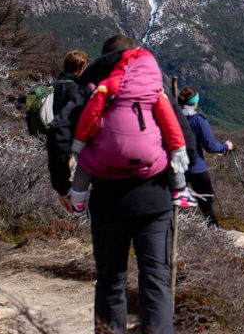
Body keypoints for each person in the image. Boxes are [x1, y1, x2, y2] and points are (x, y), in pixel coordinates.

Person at [53, 35, 186, 334]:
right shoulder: (151, 86)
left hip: (108, 198)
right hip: (154, 197)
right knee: (155, 277)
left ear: (104, 58)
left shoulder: (93, 88)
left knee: (111, 278)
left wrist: (62, 186)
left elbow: (59, 132)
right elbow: (183, 132)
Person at [66, 46, 190, 214]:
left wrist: (79, 144)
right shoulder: (156, 91)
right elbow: (170, 125)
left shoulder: (106, 85)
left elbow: (90, 115)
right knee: (169, 155)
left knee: (87, 162)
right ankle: (180, 191)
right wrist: (178, 150)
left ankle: (77, 199)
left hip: (108, 154)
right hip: (148, 156)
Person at [177, 86, 232, 227]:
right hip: (197, 168)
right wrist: (226, 146)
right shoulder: (198, 120)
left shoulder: (173, 118)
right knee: (206, 204)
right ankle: (213, 233)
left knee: (174, 204)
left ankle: (179, 231)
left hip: (175, 167)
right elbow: (211, 146)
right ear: (195, 102)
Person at [45, 50, 90, 199]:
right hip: (67, 142)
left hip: (49, 134)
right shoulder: (75, 90)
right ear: (81, 69)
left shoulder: (54, 84)